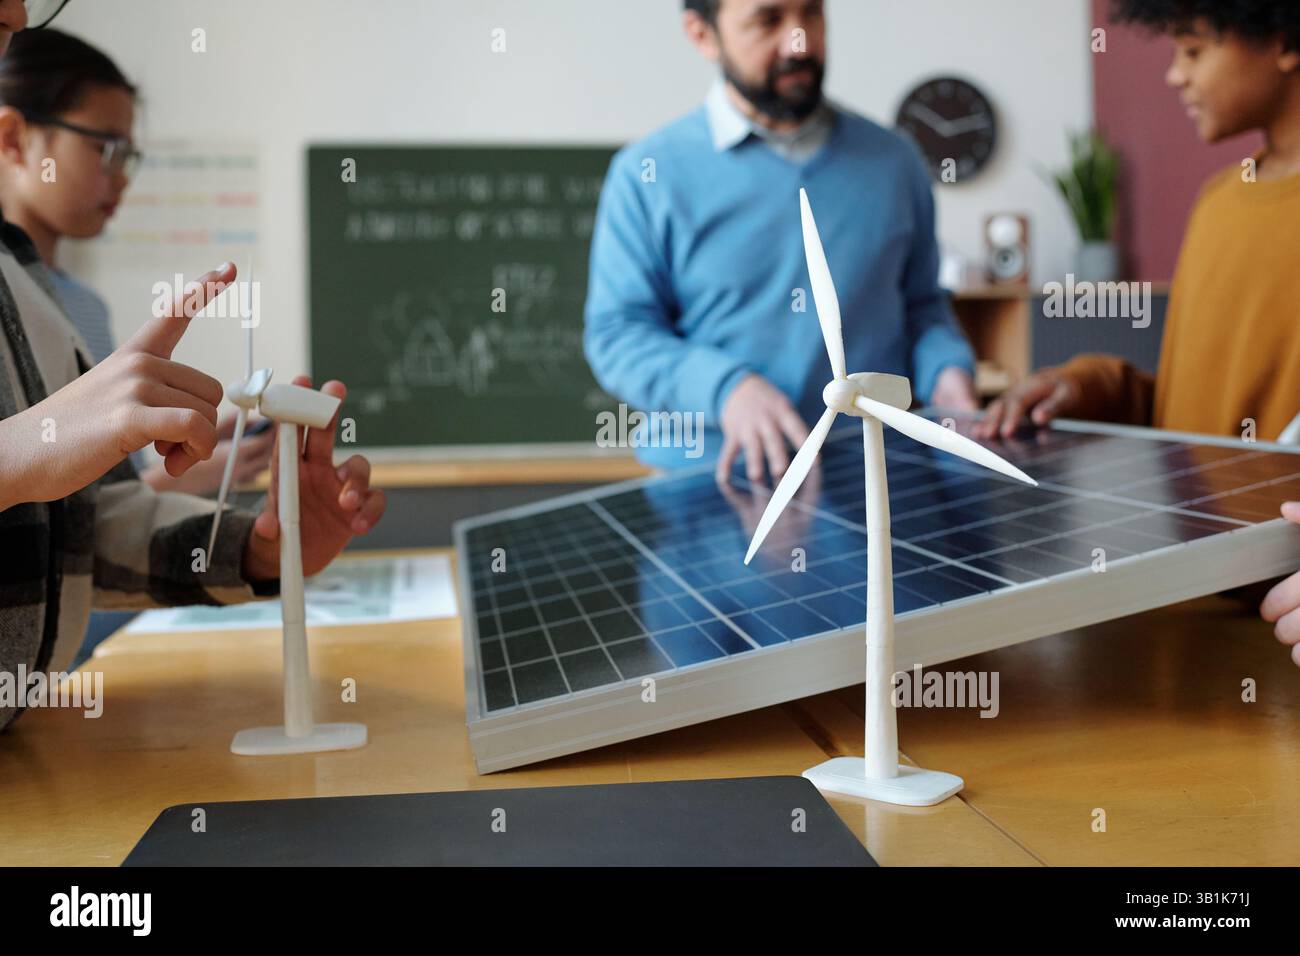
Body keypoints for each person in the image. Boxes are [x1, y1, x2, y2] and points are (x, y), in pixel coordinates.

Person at [0, 0, 386, 729]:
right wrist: (26, 449)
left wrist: (262, 550)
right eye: (103, 148)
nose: (21, 12)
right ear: (17, 137)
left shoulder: (38, 296)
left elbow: (93, 522)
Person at [974, 0, 1300, 665]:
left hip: (1276, 621)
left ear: (1285, 42)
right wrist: (1090, 385)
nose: (1176, 77)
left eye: (1193, 50)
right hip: (1178, 604)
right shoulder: (1218, 201)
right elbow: (1197, 412)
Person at [583, 0, 979, 487]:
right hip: (718, 484)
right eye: (768, 20)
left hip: (879, 478)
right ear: (702, 34)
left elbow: (922, 306)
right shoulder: (647, 174)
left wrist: (948, 372)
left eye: (811, 13)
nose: (801, 42)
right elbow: (618, 334)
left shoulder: (894, 162)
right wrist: (726, 389)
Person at [0, 27, 274, 494]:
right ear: (13, 139)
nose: (122, 178)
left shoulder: (87, 306)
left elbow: (103, 487)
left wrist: (181, 453)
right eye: (105, 149)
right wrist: (172, 484)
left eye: (128, 156)